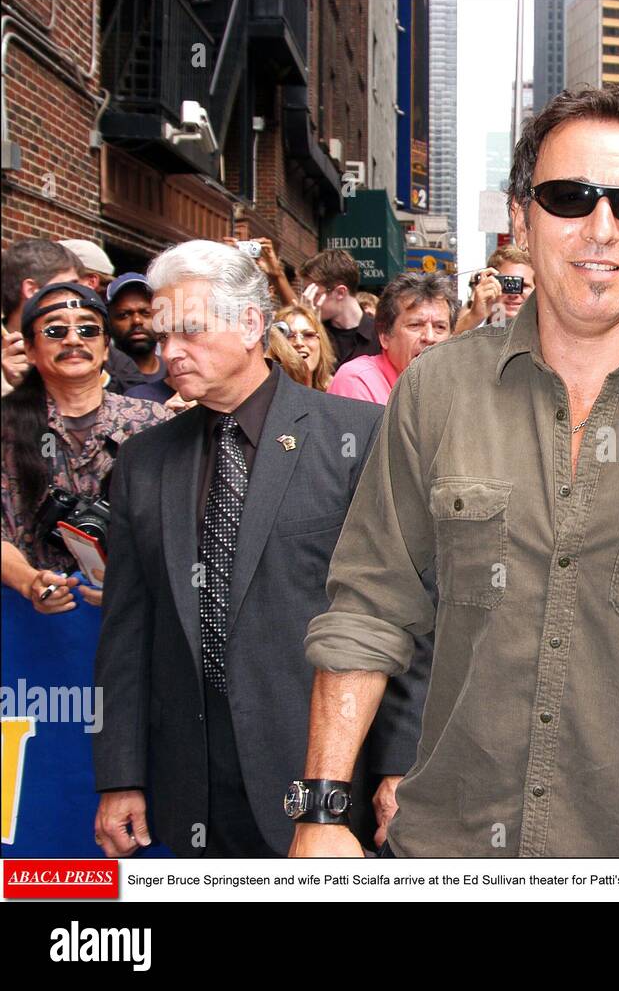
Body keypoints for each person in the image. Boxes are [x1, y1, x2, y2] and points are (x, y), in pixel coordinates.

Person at [290, 86, 619, 858]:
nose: (602, 230)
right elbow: (369, 606)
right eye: (569, 198)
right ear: (520, 218)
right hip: (452, 845)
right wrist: (321, 807)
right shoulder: (435, 389)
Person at [92, 241, 426, 858]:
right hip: (192, 784)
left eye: (189, 330)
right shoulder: (144, 461)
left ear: (251, 323)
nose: (169, 352)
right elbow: (127, 631)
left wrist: (399, 766)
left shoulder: (353, 438)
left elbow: (404, 615)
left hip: (324, 778)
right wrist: (120, 775)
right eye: (162, 336)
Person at [1, 283, 172, 614]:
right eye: (55, 331)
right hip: (29, 616)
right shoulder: (6, 426)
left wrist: (131, 580)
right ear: (31, 350)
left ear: (106, 347)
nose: (73, 339)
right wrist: (31, 581)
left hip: (137, 614)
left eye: (88, 329)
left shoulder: (152, 422)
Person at [3, 240, 150, 396]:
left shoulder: (108, 356)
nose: (77, 294)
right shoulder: (7, 366)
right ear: (32, 290)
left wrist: (96, 379)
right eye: (70, 285)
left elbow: (139, 403)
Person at [326, 272, 458, 404]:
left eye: (440, 327)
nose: (429, 337)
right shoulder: (357, 380)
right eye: (415, 325)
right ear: (385, 335)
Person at [298, 249, 381, 367]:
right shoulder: (314, 336)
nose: (308, 300)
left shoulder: (381, 335)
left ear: (340, 293)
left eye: (314, 293)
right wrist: (309, 325)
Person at [453, 245, 535, 333]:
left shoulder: (545, 337)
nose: (513, 294)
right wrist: (473, 318)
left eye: (521, 285)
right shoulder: (472, 332)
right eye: (506, 284)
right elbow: (442, 344)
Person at [106, 273, 167, 386]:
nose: (137, 320)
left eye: (146, 313)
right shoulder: (102, 377)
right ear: (109, 321)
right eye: (124, 314)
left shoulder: (175, 372)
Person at [273, 302, 337, 392]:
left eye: (308, 335)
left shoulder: (334, 391)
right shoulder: (268, 394)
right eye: (289, 336)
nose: (299, 342)